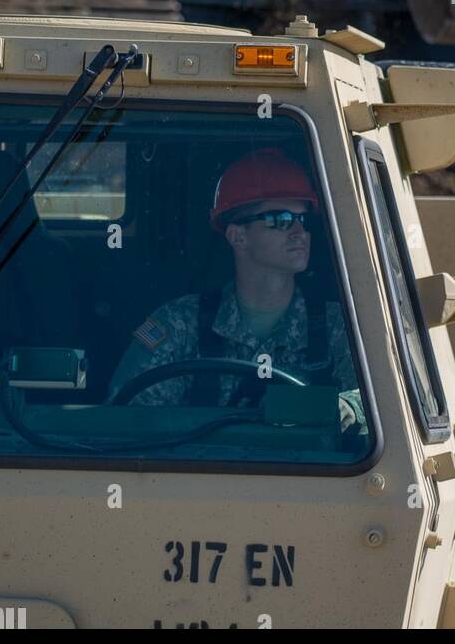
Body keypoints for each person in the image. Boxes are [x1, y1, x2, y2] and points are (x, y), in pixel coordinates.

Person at [109, 149, 364, 432]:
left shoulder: (338, 326)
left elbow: (378, 402)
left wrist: (346, 407)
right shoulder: (180, 322)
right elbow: (129, 417)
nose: (298, 232)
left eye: (303, 220)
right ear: (237, 236)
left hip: (310, 474)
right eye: (279, 219)